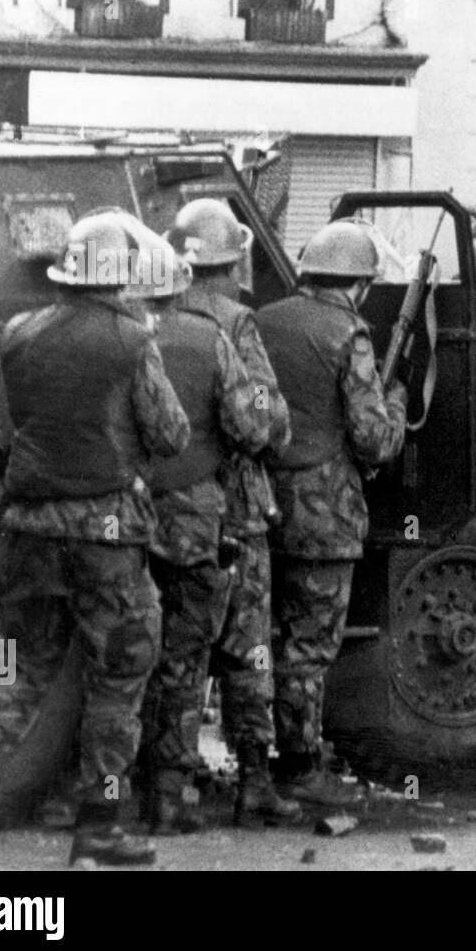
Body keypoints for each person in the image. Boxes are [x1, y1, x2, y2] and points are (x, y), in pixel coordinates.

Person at [0, 210, 190, 865]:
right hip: (104, 535)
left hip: (25, 527)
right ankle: (96, 829)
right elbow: (169, 434)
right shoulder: (133, 340)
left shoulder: (18, 334)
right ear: (121, 275)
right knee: (120, 673)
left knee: (23, 667)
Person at [256, 219, 408, 806]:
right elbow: (372, 440)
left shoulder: (263, 320)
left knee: (255, 639)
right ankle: (299, 767)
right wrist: (395, 404)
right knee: (310, 646)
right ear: (360, 285)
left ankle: (249, 766)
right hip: (324, 513)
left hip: (259, 507)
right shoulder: (352, 335)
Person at [129, 233, 274, 835]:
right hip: (194, 520)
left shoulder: (122, 339)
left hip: (125, 520)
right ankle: (169, 794)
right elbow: (253, 426)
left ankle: (113, 790)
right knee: (186, 660)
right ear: (181, 282)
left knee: (128, 655)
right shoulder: (211, 337)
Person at [162, 199, 301, 825]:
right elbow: (266, 422)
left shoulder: (154, 314)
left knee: (176, 647)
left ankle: (170, 781)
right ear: (235, 255)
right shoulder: (237, 323)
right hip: (236, 512)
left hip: (168, 508)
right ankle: (253, 781)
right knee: (249, 647)